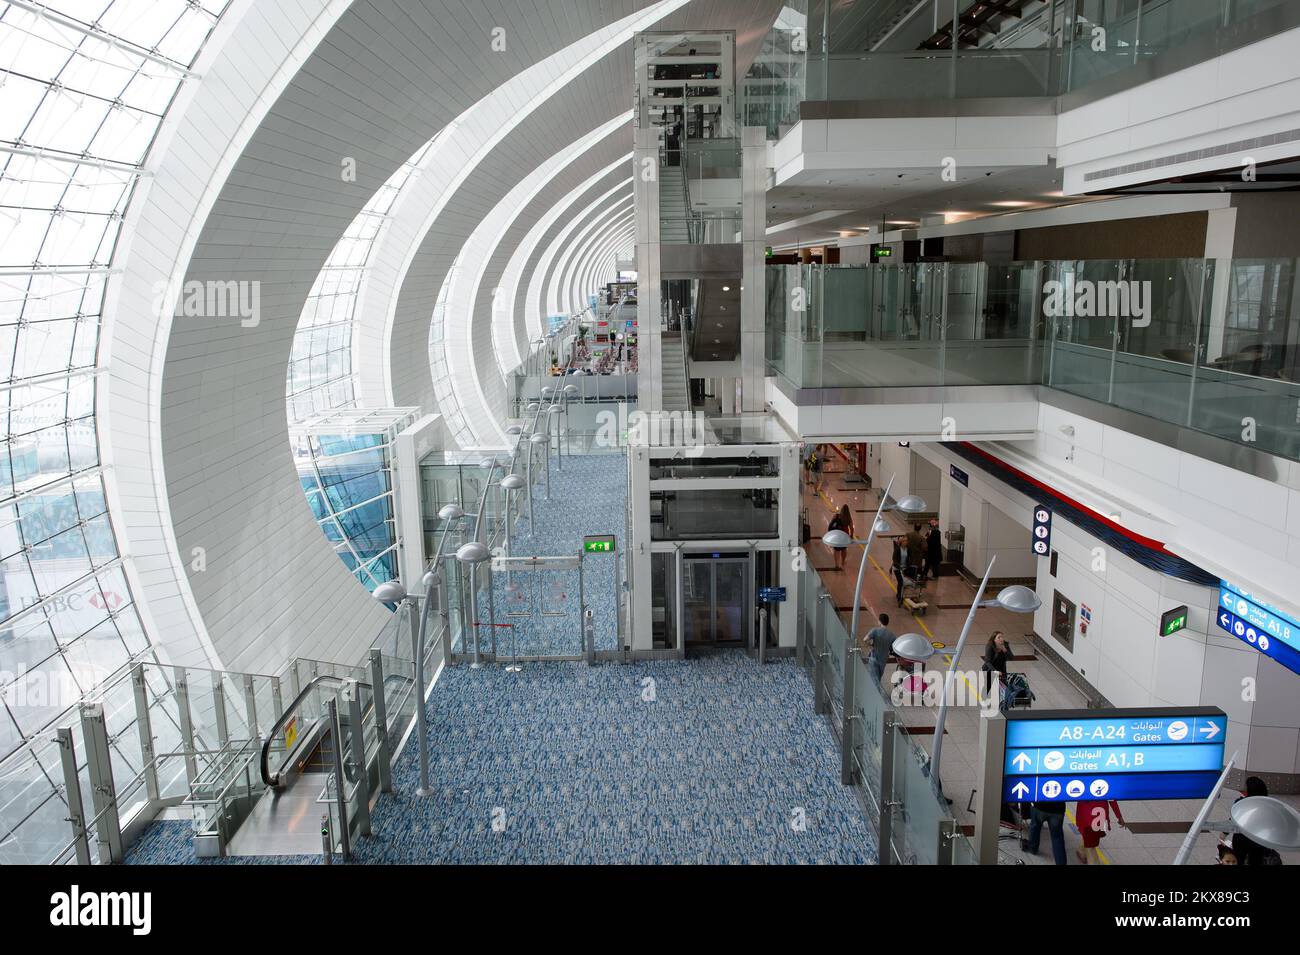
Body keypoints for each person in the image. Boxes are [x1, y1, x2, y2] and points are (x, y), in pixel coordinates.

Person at [1232, 777, 1283, 865]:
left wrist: (1224, 833)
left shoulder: (1240, 803)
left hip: (1241, 839)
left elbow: (1233, 819)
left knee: (1239, 859)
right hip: (1259, 840)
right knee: (1256, 860)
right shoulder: (1269, 806)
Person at [1074, 799, 1126, 864]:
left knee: (1091, 842)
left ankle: (1081, 851)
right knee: (1090, 843)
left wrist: (1119, 816)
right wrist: (1119, 816)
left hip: (1092, 817)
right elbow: (1112, 799)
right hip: (1096, 816)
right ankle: (1082, 851)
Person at [1022, 799, 1068, 865]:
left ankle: (1032, 848)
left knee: (1035, 827)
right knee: (1057, 838)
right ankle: (1061, 862)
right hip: (1058, 809)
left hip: (1039, 806)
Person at [864, 612, 895, 687]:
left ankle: (874, 694)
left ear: (880, 621)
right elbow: (893, 648)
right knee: (878, 678)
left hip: (874, 658)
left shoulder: (875, 630)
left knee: (874, 680)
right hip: (883, 660)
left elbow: (865, 639)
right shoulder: (892, 635)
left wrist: (871, 644)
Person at [981, 630, 1012, 695]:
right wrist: (994, 671)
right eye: (999, 637)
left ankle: (1003, 700)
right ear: (994, 639)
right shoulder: (990, 646)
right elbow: (987, 661)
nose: (1001, 639)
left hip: (1001, 669)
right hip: (990, 668)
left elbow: (1011, 657)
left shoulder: (1005, 645)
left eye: (1002, 637)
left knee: (1004, 685)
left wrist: (1005, 650)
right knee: (988, 686)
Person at [827, 505, 853, 570]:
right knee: (844, 549)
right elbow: (851, 528)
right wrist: (851, 535)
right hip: (845, 536)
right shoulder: (848, 518)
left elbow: (831, 524)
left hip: (837, 535)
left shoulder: (837, 516)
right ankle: (843, 562)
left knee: (836, 550)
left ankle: (836, 565)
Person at [891, 538, 906, 606]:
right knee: (900, 581)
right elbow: (894, 559)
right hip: (897, 568)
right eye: (905, 541)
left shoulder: (908, 549)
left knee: (904, 582)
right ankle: (899, 595)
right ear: (901, 542)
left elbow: (909, 558)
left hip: (905, 568)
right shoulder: (897, 550)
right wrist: (899, 566)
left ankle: (902, 593)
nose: (906, 542)